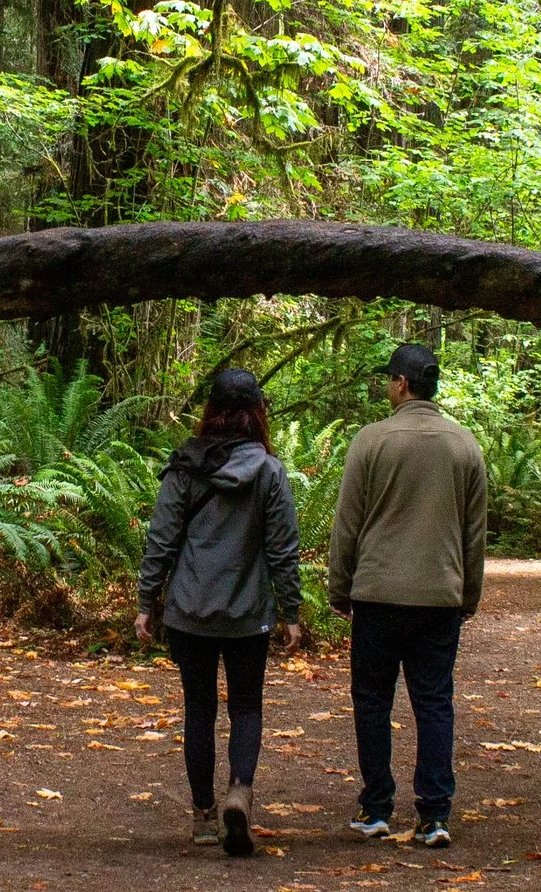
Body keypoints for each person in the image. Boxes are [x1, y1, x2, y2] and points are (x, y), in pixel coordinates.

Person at [137, 367, 304, 857]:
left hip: (189, 610)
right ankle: (239, 792)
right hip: (248, 612)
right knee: (246, 706)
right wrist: (291, 611)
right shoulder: (270, 472)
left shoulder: (185, 466)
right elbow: (282, 549)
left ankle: (204, 816)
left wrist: (147, 602)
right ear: (258, 412)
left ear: (210, 410)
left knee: (199, 709)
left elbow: (161, 539)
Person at [327, 343, 488, 849]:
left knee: (372, 699)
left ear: (401, 383)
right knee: (434, 701)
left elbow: (347, 523)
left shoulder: (371, 441)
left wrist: (339, 587)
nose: (386, 387)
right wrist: (468, 595)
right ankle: (434, 814)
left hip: (377, 593)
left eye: (388, 380)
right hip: (439, 595)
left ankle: (376, 807)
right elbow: (474, 533)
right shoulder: (464, 445)